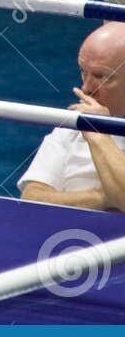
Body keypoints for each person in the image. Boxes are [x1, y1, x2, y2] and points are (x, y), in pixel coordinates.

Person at [19, 23, 125, 211]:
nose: (86, 88)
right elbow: (31, 197)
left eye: (101, 76)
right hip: (68, 233)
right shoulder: (75, 122)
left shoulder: (88, 124)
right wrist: (103, 197)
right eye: (84, 72)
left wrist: (98, 135)